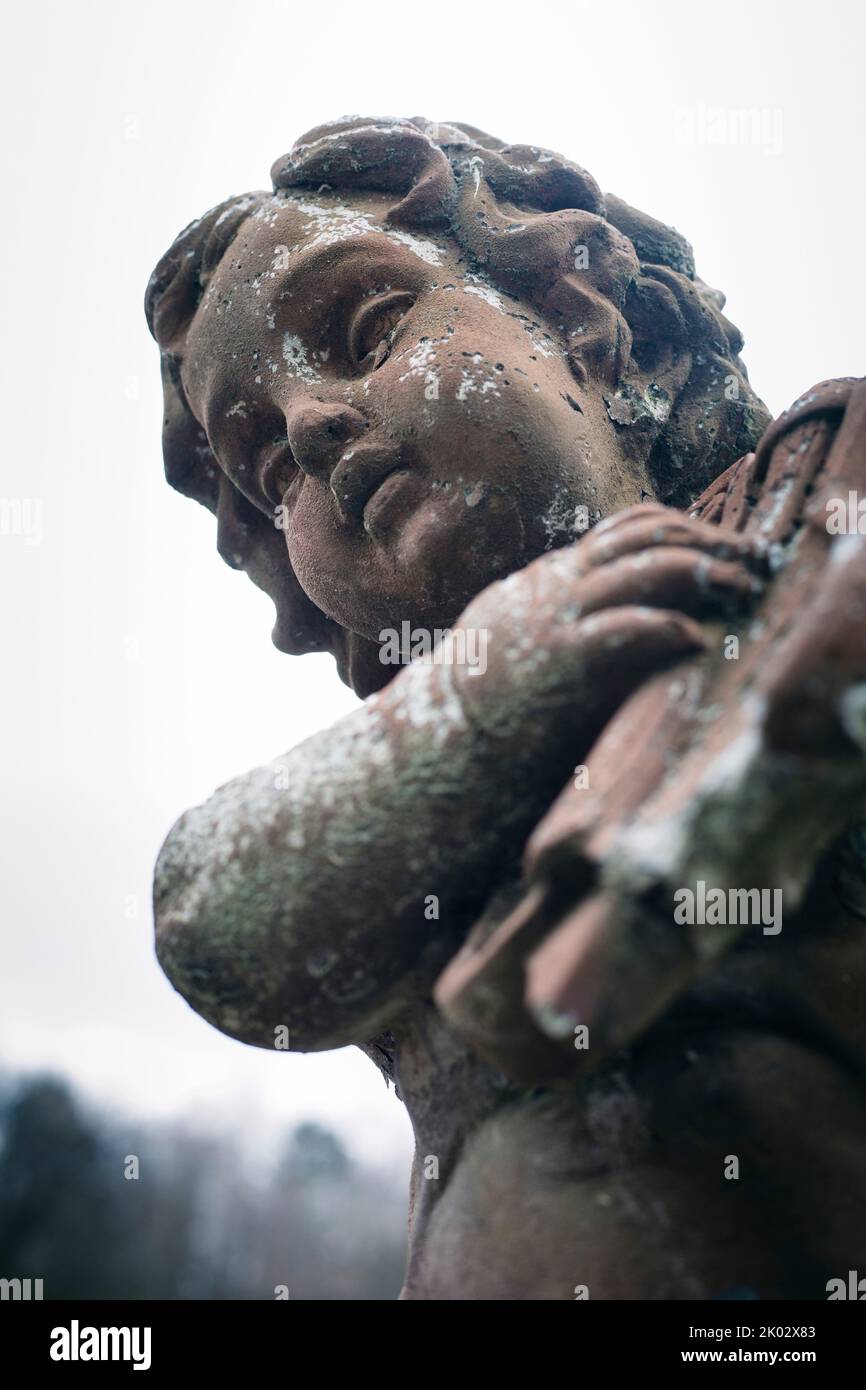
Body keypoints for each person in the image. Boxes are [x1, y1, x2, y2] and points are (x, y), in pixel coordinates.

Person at [145, 117, 866, 1299]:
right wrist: (483, 698)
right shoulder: (428, 780)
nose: (314, 424)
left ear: (589, 325)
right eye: (268, 469)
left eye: (368, 329)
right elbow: (208, 922)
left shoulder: (807, 520)